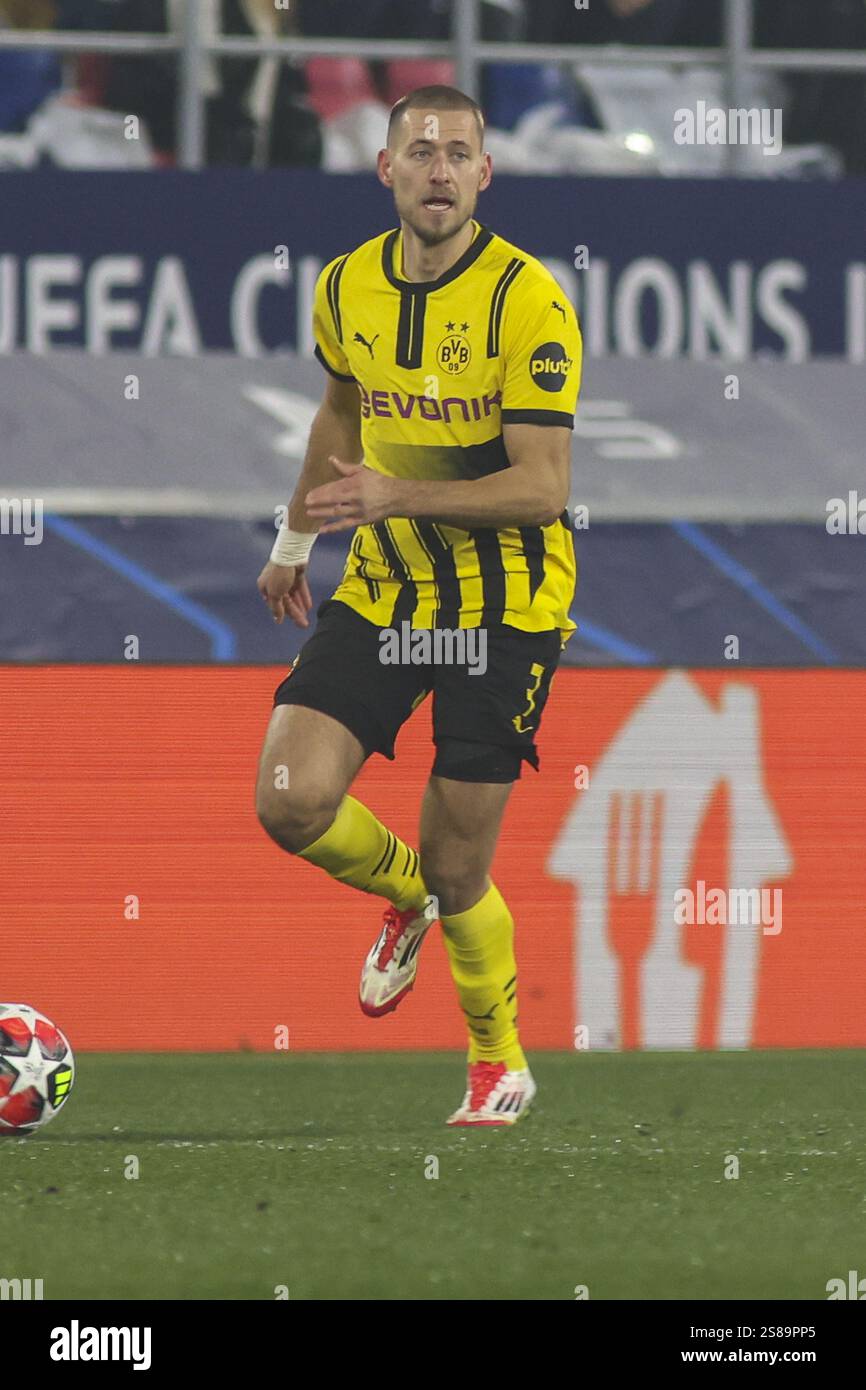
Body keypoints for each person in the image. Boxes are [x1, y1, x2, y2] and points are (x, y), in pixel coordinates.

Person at [255, 85, 582, 1126]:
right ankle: (405, 895)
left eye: (458, 152)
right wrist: (295, 537)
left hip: (508, 601)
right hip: (389, 582)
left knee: (460, 859)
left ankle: (498, 1061)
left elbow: (542, 489)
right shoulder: (346, 283)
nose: (438, 168)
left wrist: (398, 492)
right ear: (385, 170)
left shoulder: (528, 299)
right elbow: (338, 415)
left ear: (485, 175)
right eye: (419, 150)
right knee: (287, 797)